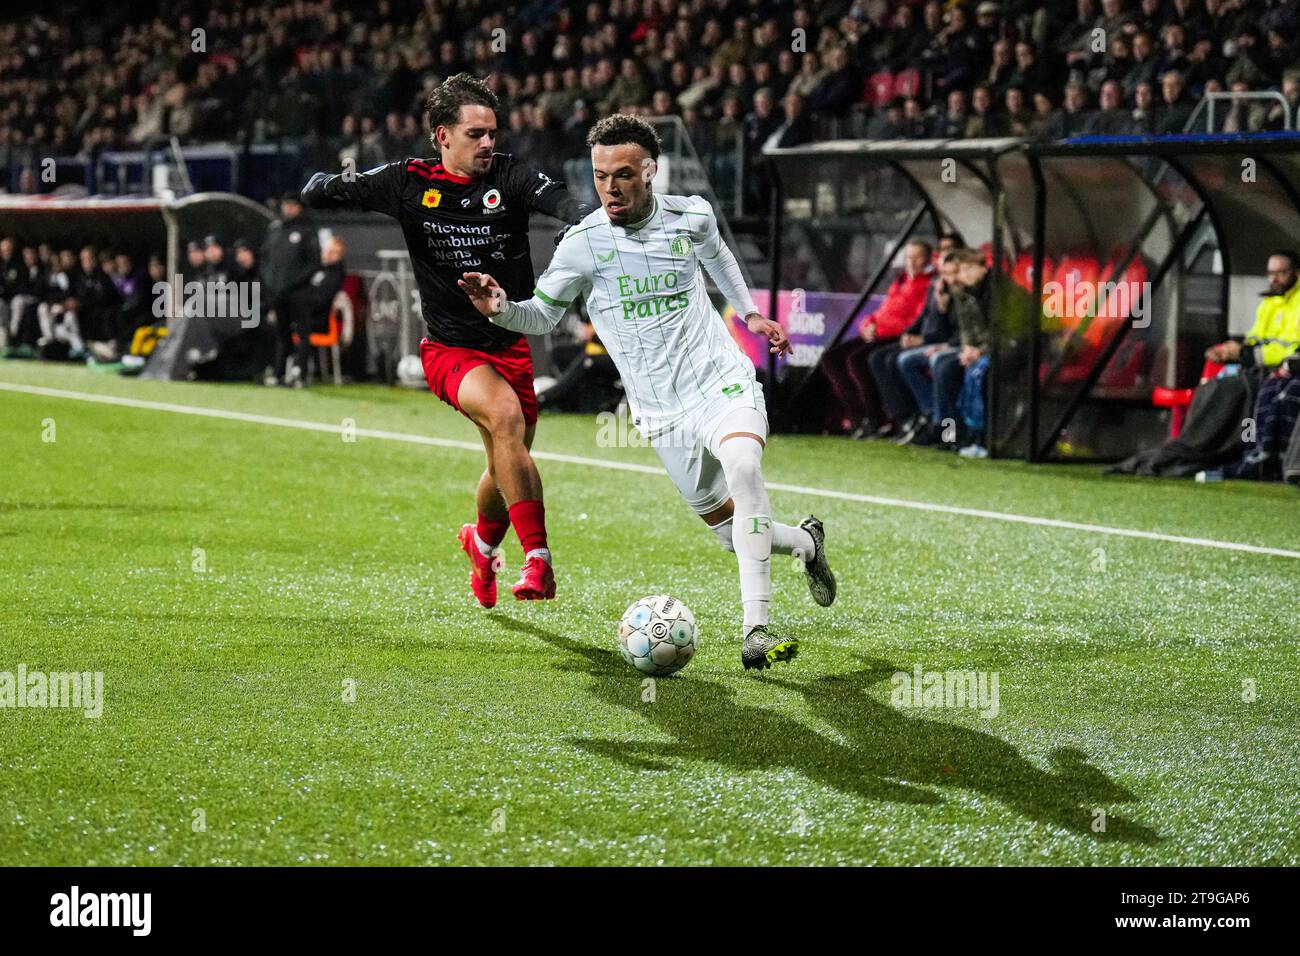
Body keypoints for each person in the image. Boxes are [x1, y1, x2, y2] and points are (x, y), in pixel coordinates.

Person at [458, 114, 837, 671]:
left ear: (651, 172)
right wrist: (501, 309)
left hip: (720, 380)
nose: (611, 187)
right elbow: (540, 316)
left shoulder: (692, 215)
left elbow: (719, 258)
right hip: (662, 414)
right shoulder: (583, 244)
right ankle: (806, 543)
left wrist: (751, 314)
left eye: (625, 175)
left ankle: (756, 627)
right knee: (733, 533)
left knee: (744, 465)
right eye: (601, 176)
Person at [301, 73, 592, 605]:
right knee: (505, 421)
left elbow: (563, 203)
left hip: (511, 344)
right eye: (476, 133)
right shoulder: (407, 181)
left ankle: (480, 544)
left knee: (507, 460)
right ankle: (538, 561)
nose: (488, 143)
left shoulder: (510, 176)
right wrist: (324, 186)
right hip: (451, 351)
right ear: (442, 136)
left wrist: (587, 221)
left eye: (492, 133)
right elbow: (332, 189)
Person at [262, 194, 321, 386]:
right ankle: (278, 373)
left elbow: (313, 263)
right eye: (285, 204)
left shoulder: (307, 231)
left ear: (299, 207)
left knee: (303, 334)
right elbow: (265, 259)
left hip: (299, 293)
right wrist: (271, 283)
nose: (288, 208)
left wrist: (293, 283)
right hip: (277, 293)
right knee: (281, 334)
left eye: (292, 205)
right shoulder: (275, 230)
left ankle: (301, 375)